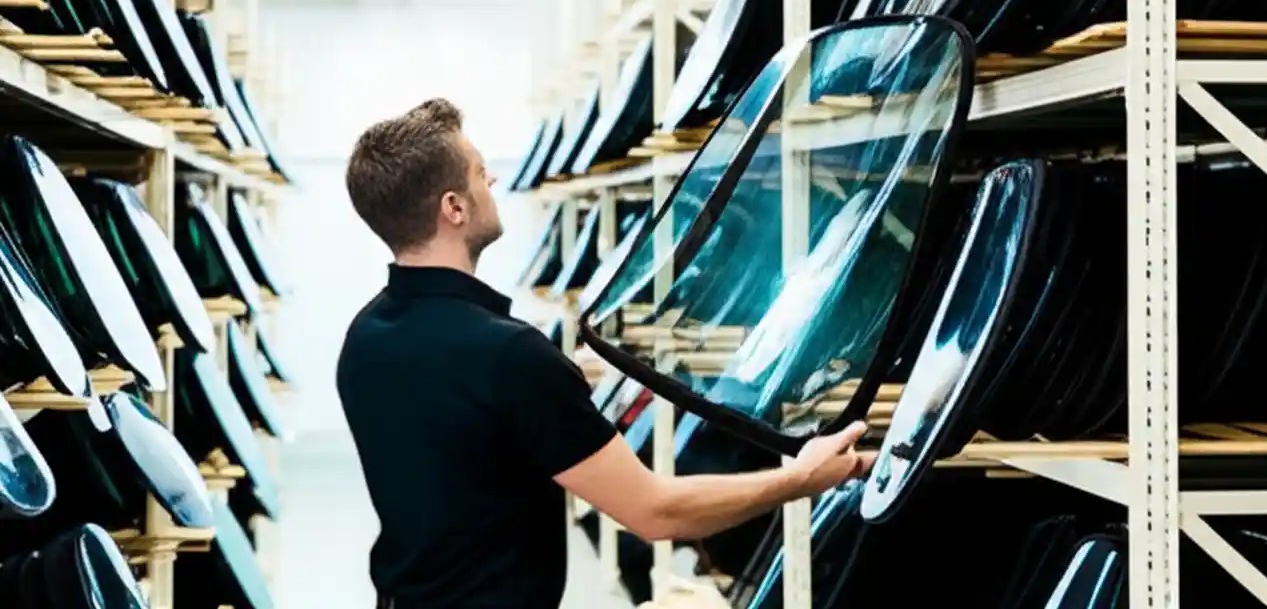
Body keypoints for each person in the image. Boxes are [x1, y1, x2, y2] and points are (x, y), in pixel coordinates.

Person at [337, 98, 876, 609]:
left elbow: (459, 442)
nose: (493, 180)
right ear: (453, 208)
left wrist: (553, 397)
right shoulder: (512, 357)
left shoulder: (364, 338)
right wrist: (803, 478)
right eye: (480, 172)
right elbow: (655, 512)